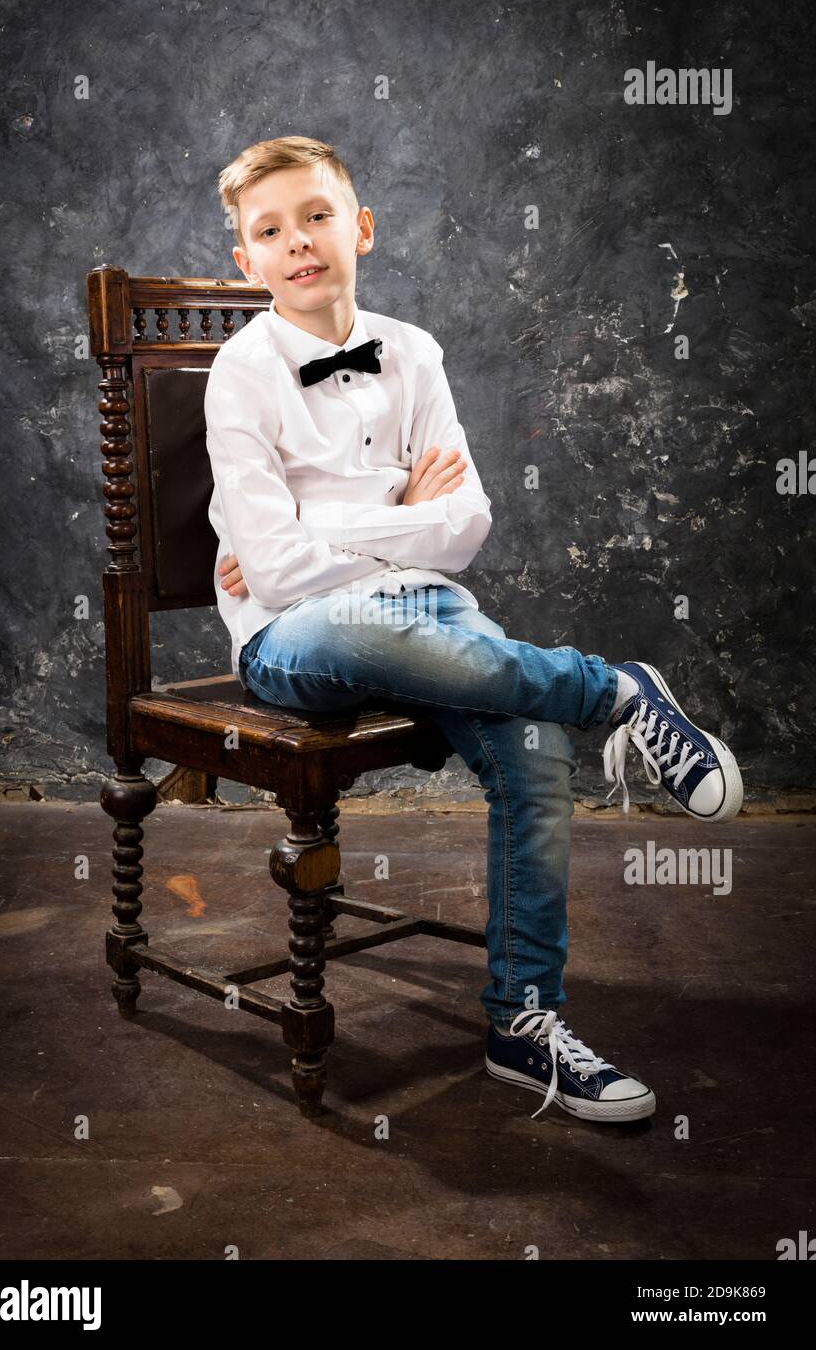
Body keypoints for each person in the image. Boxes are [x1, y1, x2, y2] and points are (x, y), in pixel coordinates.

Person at [204, 135, 743, 1124]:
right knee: (380, 626)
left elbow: (466, 529)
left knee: (531, 742)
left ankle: (521, 1020)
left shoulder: (412, 351)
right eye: (267, 231)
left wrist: (323, 523)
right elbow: (273, 571)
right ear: (246, 260)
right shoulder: (240, 376)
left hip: (426, 612)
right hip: (292, 635)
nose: (297, 243)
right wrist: (396, 516)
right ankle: (616, 691)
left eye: (315, 216)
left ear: (358, 226)